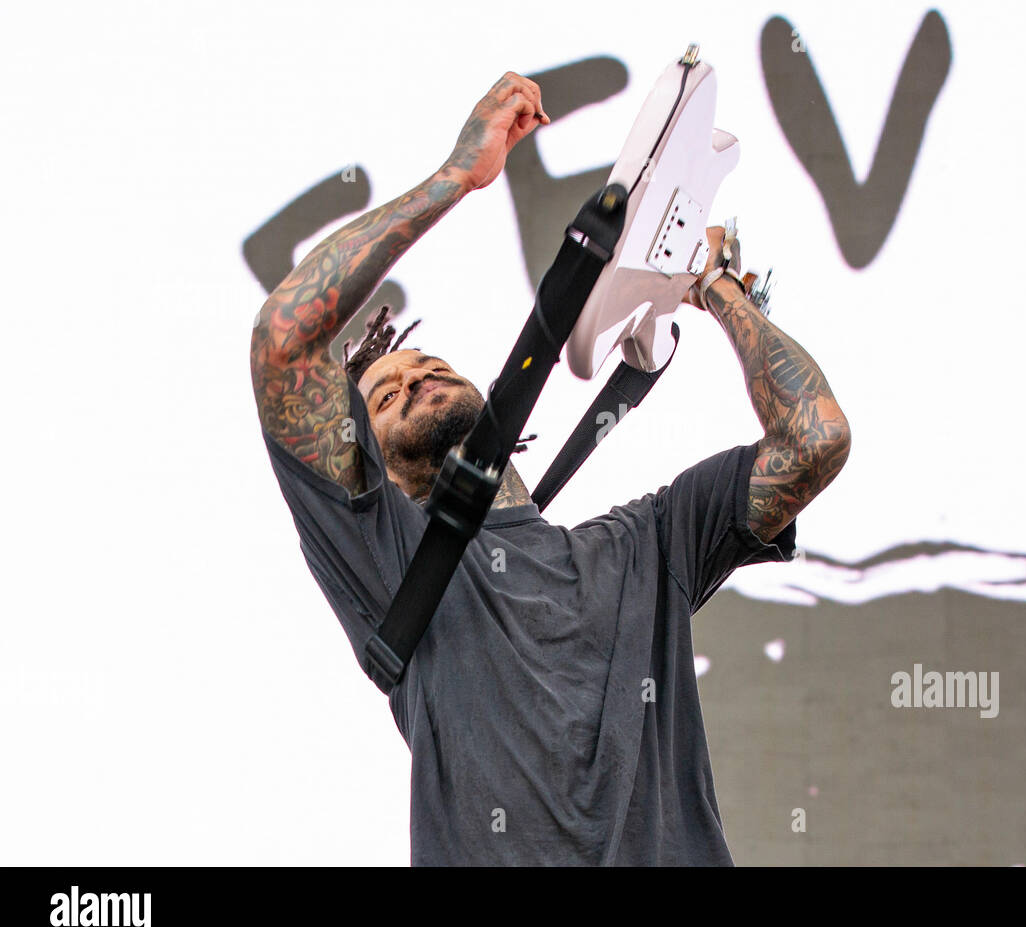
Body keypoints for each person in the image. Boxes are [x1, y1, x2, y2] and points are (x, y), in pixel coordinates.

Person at [250, 71, 851, 865]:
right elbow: (285, 338)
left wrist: (713, 287)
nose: (412, 378)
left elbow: (815, 440)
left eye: (426, 365)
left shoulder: (647, 546)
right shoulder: (388, 562)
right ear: (379, 471)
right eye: (386, 395)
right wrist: (455, 178)